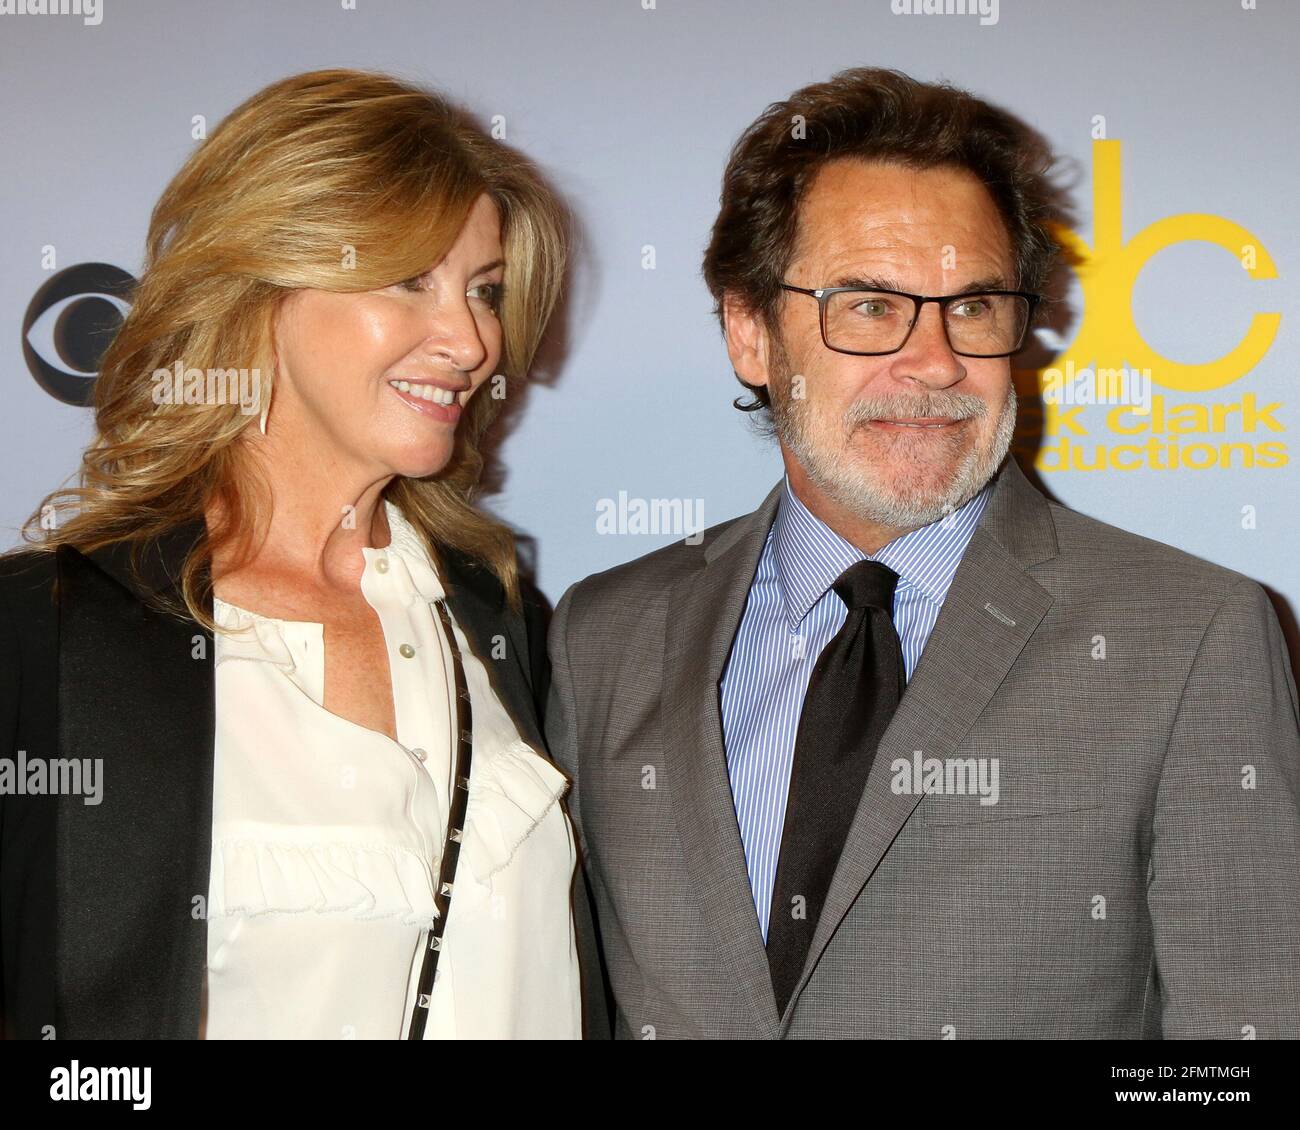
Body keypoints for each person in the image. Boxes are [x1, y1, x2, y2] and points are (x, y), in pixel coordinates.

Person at [546, 67, 1300, 1039]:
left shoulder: (1192, 633)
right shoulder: (604, 631)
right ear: (750, 333)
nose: (936, 359)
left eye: (975, 304)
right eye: (867, 305)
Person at [0, 68, 605, 1040]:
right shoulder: (51, 637)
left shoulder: (502, 623)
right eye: (410, 279)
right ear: (259, 286)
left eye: (484, 291)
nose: (469, 340)